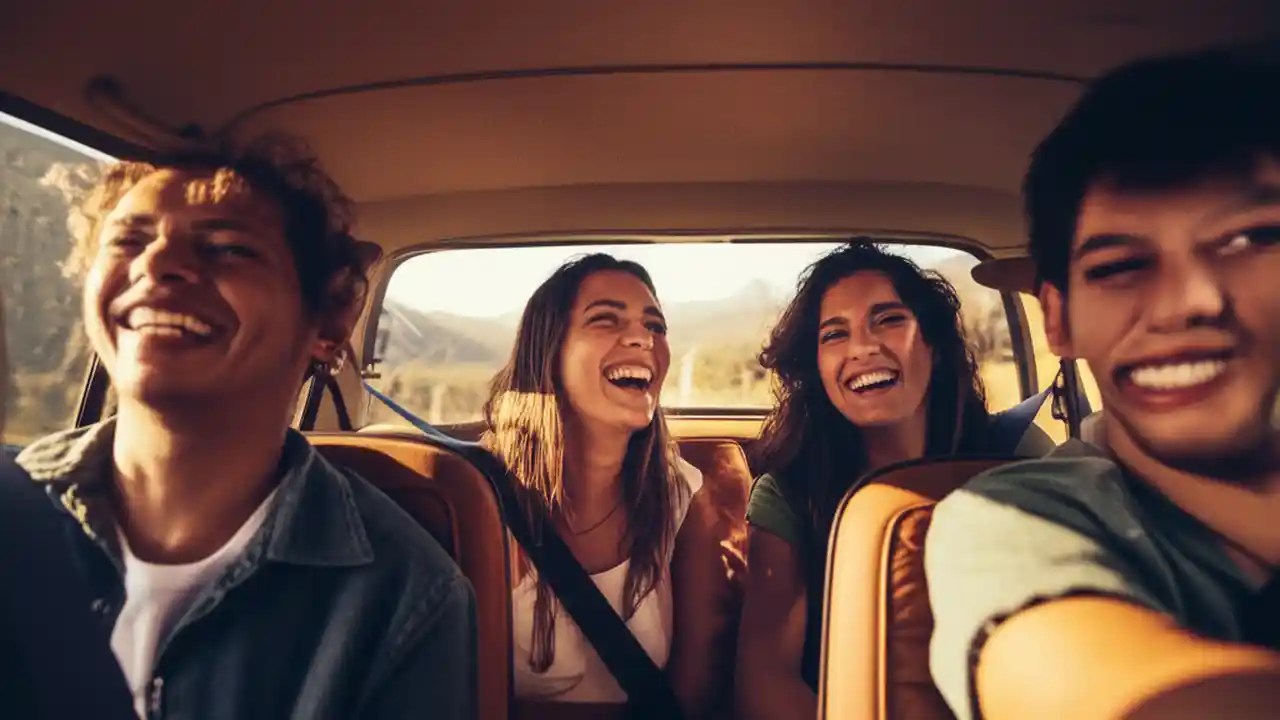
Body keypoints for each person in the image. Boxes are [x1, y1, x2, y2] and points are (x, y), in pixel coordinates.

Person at [12, 136, 477, 718]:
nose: (156, 263)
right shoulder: (13, 511)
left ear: (330, 320)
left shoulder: (404, 596)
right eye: (129, 239)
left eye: (228, 249)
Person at [926, 49, 1280, 720]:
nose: (1190, 301)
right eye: (1120, 266)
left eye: (1250, 239)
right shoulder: (1015, 521)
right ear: (1057, 319)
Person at [737, 240, 1049, 720]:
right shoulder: (791, 493)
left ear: (932, 344)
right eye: (834, 335)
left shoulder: (1015, 455)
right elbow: (764, 680)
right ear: (817, 370)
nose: (863, 348)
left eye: (887, 320)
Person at [483, 253, 726, 717]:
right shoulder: (485, 496)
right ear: (549, 352)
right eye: (605, 320)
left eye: (655, 325)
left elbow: (693, 695)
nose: (643, 338)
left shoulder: (685, 501)